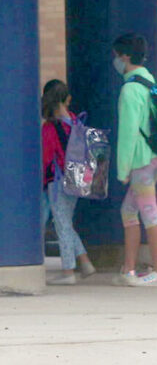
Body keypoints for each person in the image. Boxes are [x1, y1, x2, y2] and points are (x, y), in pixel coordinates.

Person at [112, 33, 157, 287]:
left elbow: (127, 133)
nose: (115, 61)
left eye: (116, 56)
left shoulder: (129, 89)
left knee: (150, 214)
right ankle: (129, 270)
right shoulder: (151, 82)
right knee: (128, 210)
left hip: (141, 160)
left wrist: (122, 169)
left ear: (125, 56)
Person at [40, 79, 95, 285]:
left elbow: (46, 157)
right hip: (77, 179)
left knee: (62, 225)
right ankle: (85, 261)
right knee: (66, 222)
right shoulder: (75, 121)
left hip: (58, 181)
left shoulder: (49, 128)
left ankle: (68, 272)